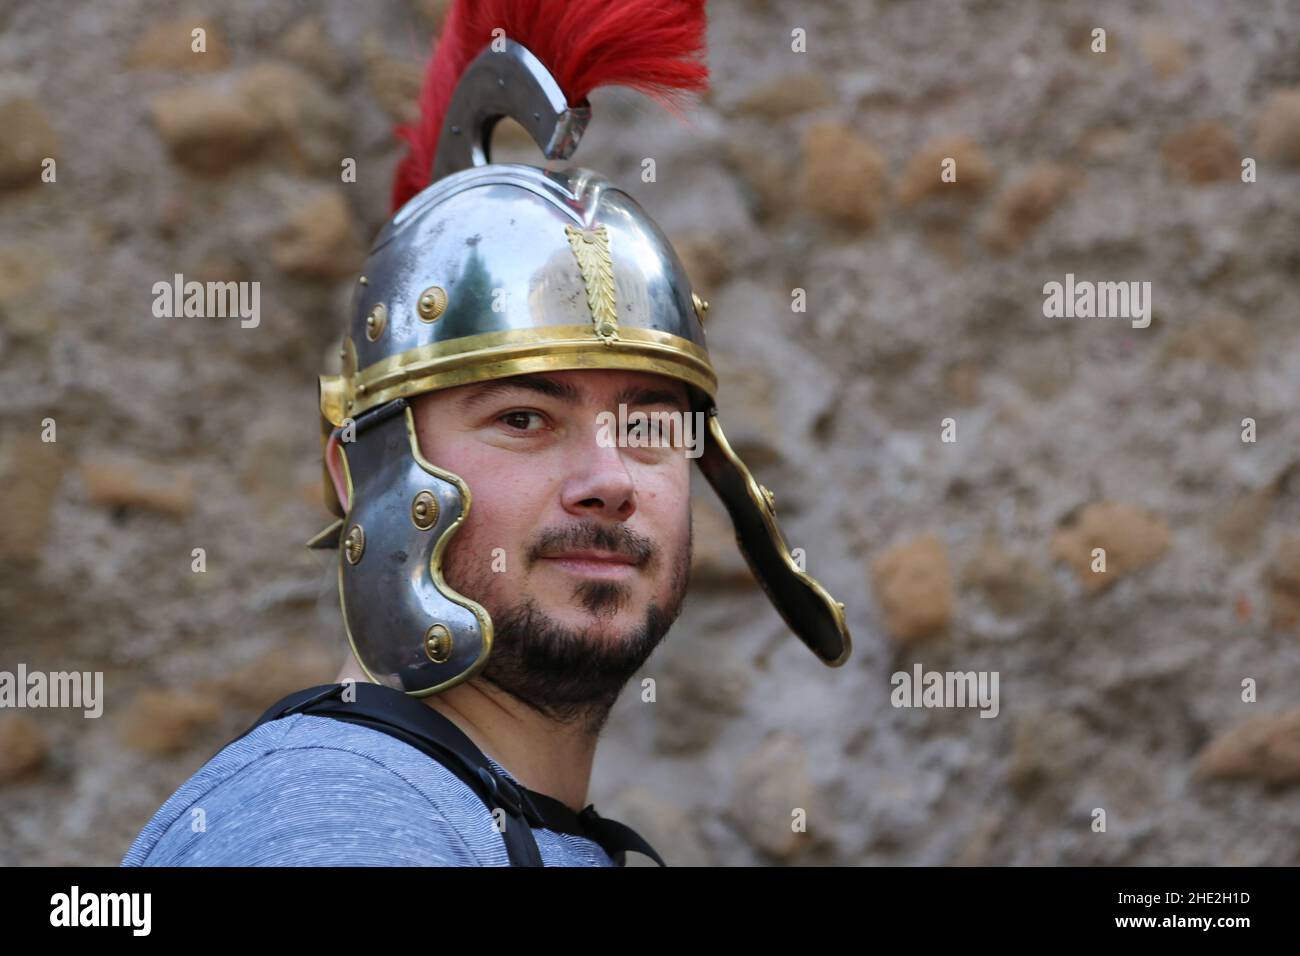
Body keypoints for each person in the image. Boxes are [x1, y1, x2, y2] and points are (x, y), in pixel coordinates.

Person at [121, 0, 851, 868]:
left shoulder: (511, 826)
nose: (608, 478)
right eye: (524, 419)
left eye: (649, 423)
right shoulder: (333, 825)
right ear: (359, 478)